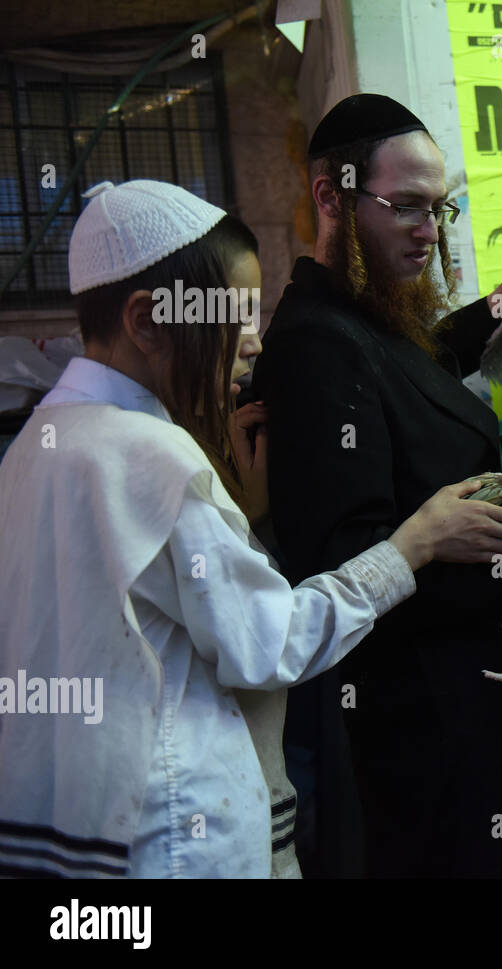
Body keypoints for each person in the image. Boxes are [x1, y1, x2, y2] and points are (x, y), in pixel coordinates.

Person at [0, 180, 465, 877]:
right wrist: (414, 543)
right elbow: (267, 641)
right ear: (147, 322)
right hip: (176, 842)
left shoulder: (41, 441)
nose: (254, 342)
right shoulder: (150, 453)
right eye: (236, 315)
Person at [253, 94, 502, 877]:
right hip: (429, 737)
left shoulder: (371, 317)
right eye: (407, 208)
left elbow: (414, 369)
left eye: (441, 208)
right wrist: (425, 542)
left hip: (482, 707)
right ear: (331, 197)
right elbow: (335, 563)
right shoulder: (315, 347)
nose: (431, 230)